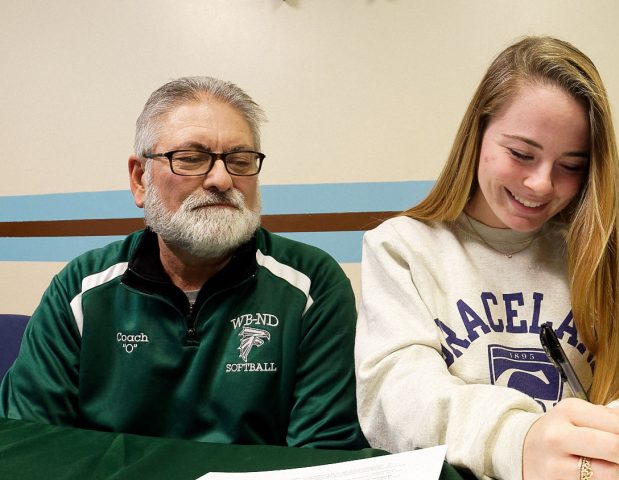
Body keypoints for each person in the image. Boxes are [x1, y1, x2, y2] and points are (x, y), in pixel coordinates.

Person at [355, 36, 619, 480]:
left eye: (571, 165)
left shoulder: (599, 251)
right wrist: (519, 441)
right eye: (521, 154)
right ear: (477, 134)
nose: (541, 184)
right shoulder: (401, 247)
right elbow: (397, 398)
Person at [0, 76, 367, 450]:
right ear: (140, 179)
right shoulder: (80, 289)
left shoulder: (311, 284)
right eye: (191, 159)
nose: (222, 179)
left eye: (240, 160)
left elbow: (323, 456)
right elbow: (29, 443)